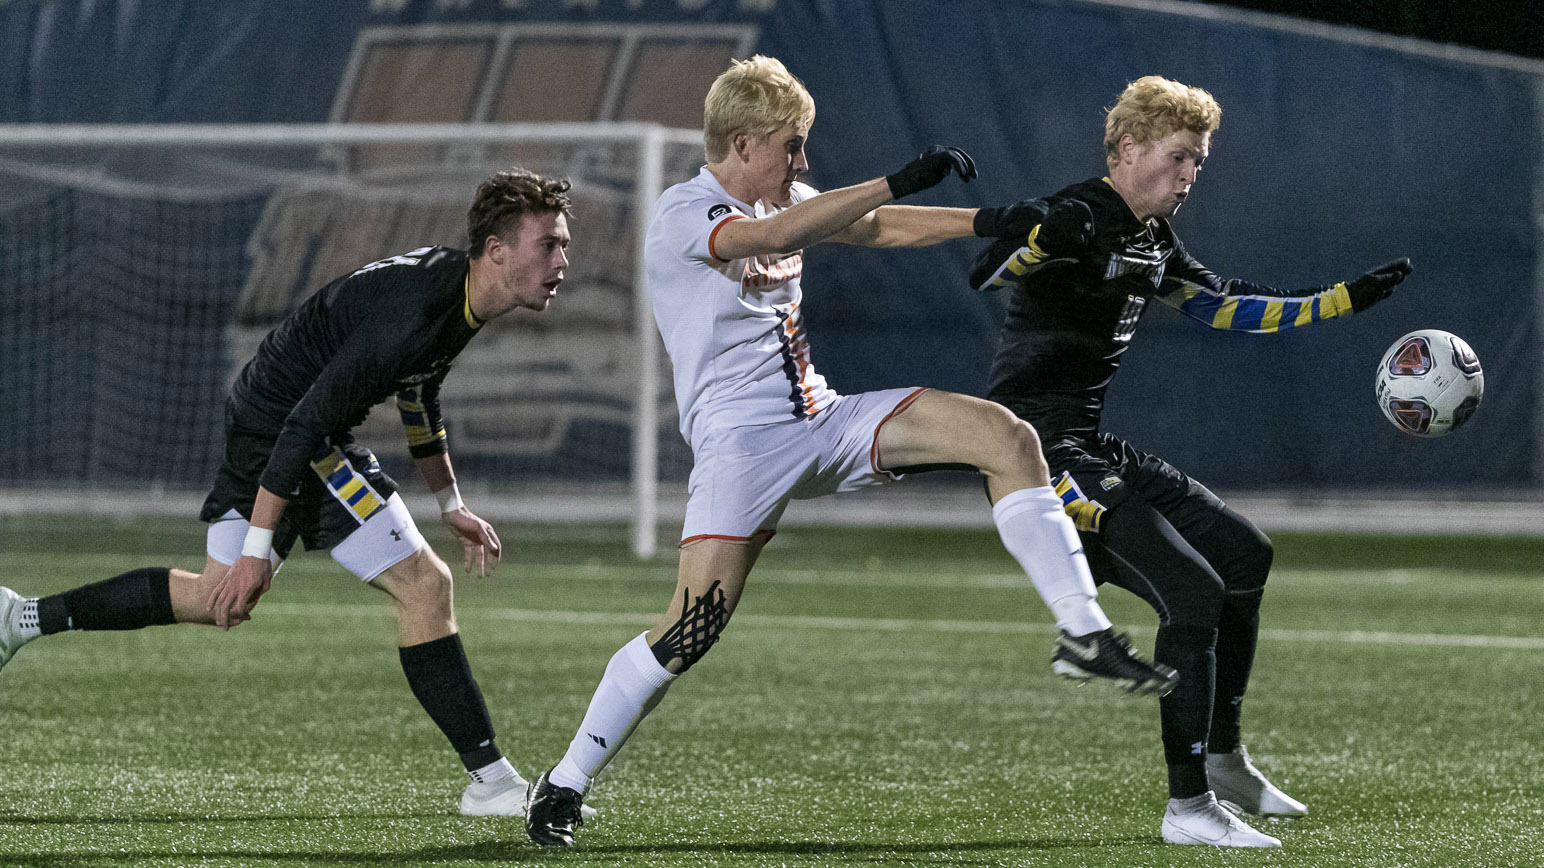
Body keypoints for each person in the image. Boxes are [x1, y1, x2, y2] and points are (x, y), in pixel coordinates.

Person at [522, 55, 1179, 847]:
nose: (801, 164)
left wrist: (1001, 219)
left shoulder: (786, 195)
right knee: (690, 629)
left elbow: (869, 226)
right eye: (790, 147)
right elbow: (773, 233)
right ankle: (563, 783)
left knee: (1007, 437)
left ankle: (1084, 633)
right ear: (740, 141)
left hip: (822, 419)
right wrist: (898, 178)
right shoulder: (684, 212)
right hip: (741, 449)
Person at [0, 168, 585, 821]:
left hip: (274, 421)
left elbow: (418, 391)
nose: (563, 259)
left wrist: (453, 506)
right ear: (498, 250)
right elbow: (305, 426)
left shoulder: (459, 292)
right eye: (550, 244)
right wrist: (258, 549)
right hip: (291, 434)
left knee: (213, 598)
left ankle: (20, 618)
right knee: (426, 586)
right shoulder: (417, 311)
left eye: (563, 243)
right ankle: (491, 782)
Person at [969, 75, 1412, 848]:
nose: (1189, 175)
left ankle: (1226, 756)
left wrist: (1343, 299)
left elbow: (1226, 305)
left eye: (1199, 162)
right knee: (1193, 592)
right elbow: (993, 271)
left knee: (1245, 552)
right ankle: (1188, 806)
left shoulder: (1152, 239)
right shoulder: (1077, 211)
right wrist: (1042, 236)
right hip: (1039, 457)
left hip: (1092, 443)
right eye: (1179, 157)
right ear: (1129, 148)